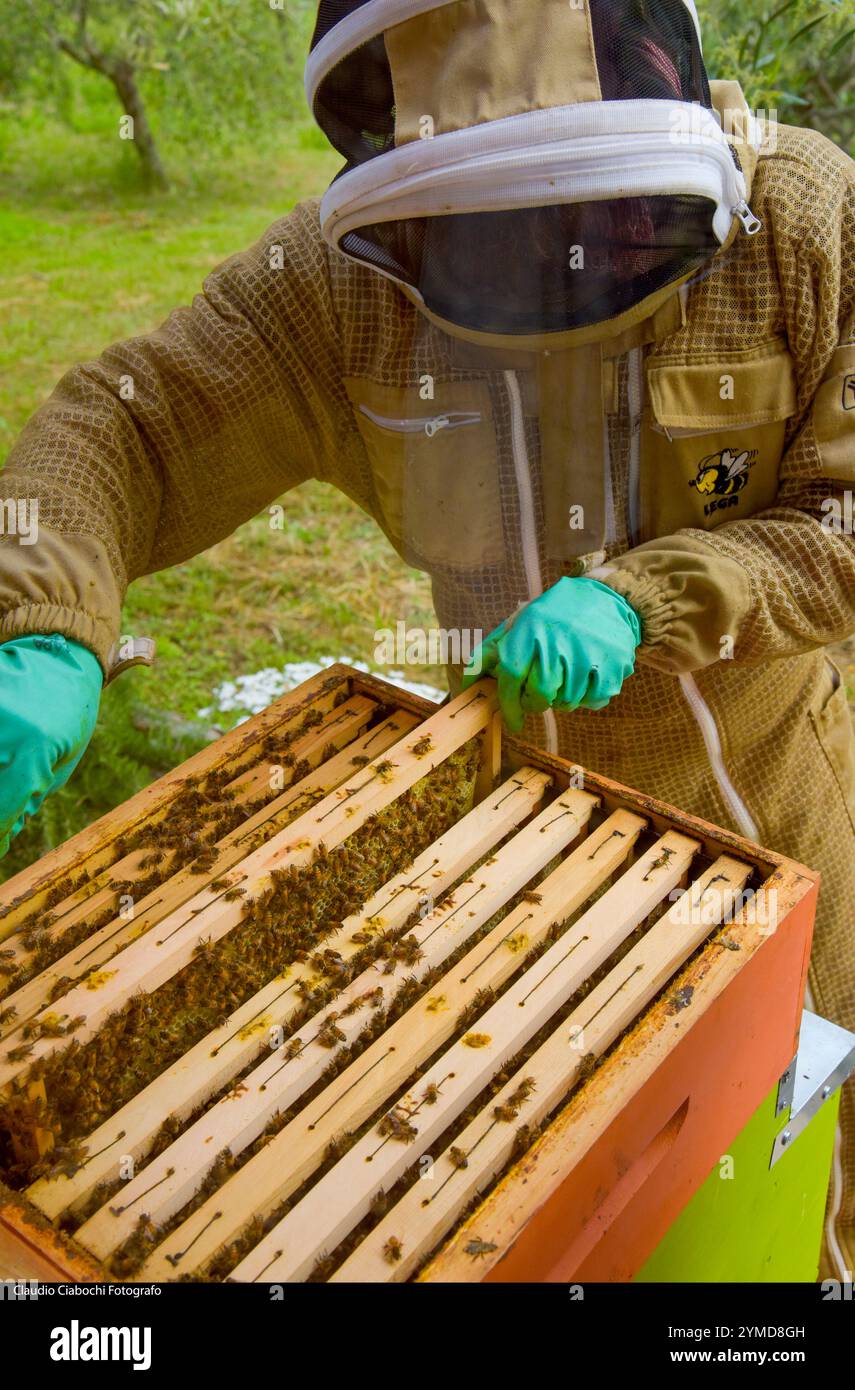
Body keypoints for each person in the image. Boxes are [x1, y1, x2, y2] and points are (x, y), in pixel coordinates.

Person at [0, 0, 853, 1277]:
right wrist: (51, 619)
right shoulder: (336, 294)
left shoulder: (800, 223)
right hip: (513, 866)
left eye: (598, 224)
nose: (556, 267)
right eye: (493, 245)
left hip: (782, 812)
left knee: (792, 1170)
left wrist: (652, 595)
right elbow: (128, 422)